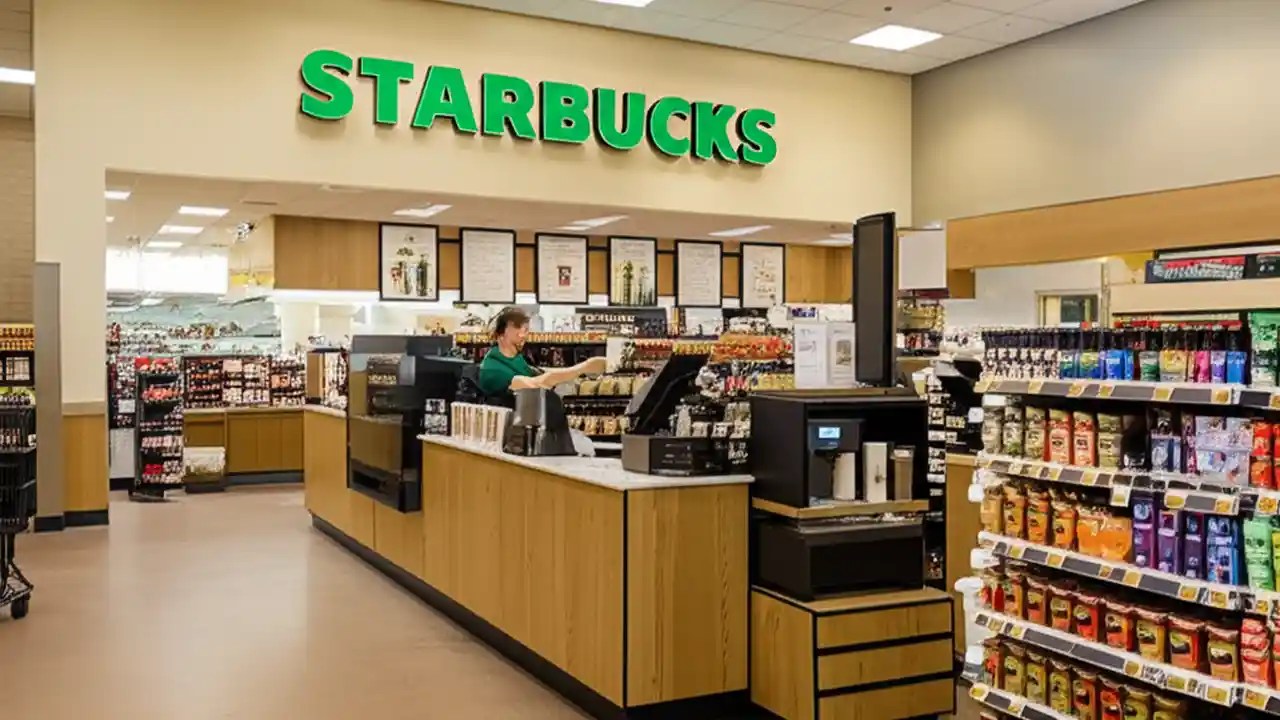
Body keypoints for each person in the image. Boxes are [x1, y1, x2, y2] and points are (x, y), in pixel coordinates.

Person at [477, 307, 607, 399]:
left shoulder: (516, 358)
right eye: (517, 328)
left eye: (526, 329)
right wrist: (584, 367)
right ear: (500, 334)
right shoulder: (492, 369)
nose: (523, 335)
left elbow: (541, 373)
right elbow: (537, 384)